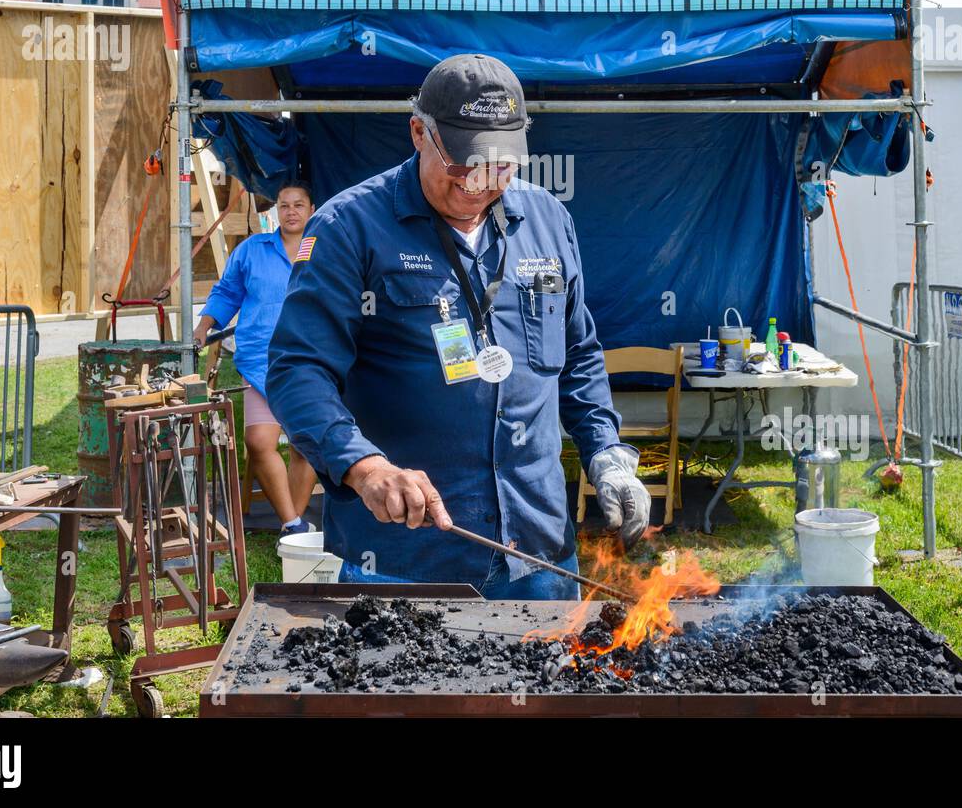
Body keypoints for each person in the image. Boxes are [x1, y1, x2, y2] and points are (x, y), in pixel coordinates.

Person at [266, 54, 649, 599]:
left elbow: (578, 353)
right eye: (465, 161)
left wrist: (606, 453)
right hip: (404, 561)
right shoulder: (348, 226)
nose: (479, 182)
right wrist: (364, 466)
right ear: (419, 132)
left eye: (500, 166)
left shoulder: (547, 220)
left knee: (548, 687)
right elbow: (297, 368)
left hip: (537, 552)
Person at [195, 180, 319, 536]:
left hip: (312, 364)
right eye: (284, 205)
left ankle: (293, 528)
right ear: (275, 210)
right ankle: (293, 523)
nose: (291, 211)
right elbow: (227, 292)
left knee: (305, 446)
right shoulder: (252, 250)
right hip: (261, 363)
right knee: (259, 443)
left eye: (299, 205)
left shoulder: (327, 248)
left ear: (311, 210)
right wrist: (204, 327)